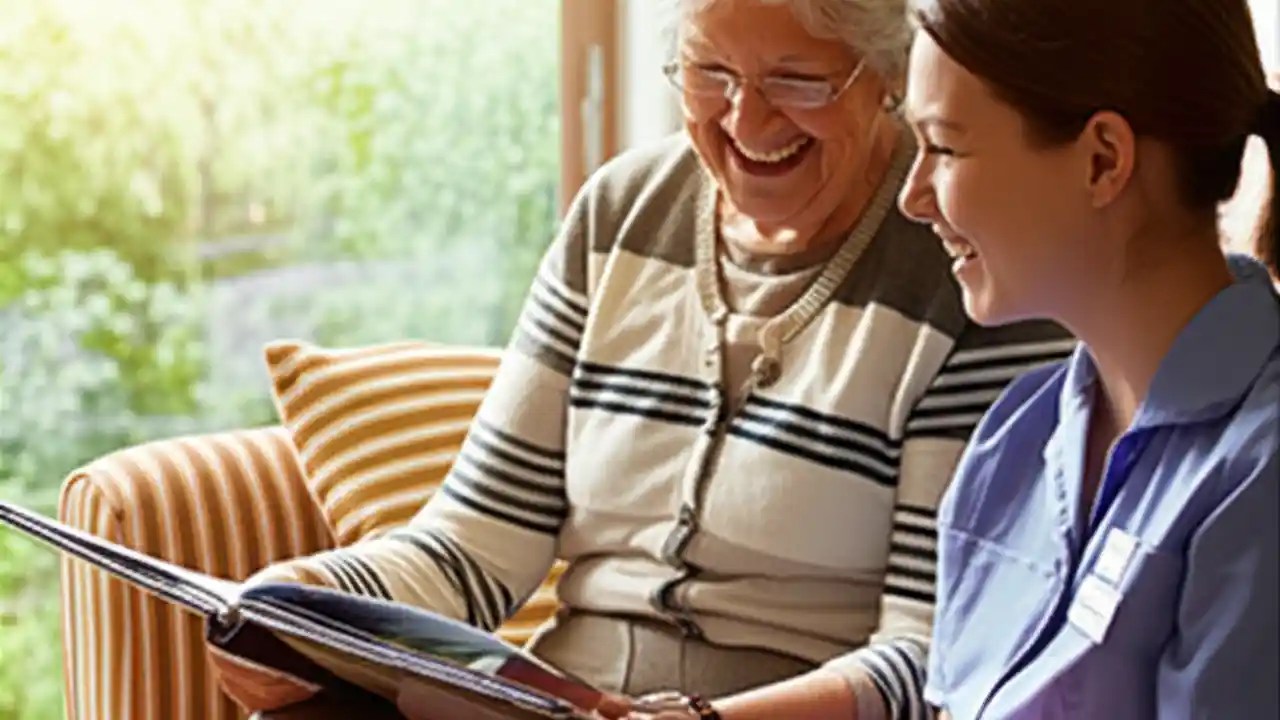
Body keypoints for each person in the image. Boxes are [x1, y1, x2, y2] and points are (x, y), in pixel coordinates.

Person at [212, 1, 1071, 718]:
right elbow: (473, 546)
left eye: (797, 81)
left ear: (887, 77)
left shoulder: (969, 267)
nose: (746, 121)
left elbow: (934, 659)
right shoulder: (621, 212)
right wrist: (304, 599)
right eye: (709, 73)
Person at [893, 0, 1280, 718]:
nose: (912, 197)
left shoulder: (1258, 473)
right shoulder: (1015, 438)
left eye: (943, 148)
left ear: (1103, 160)